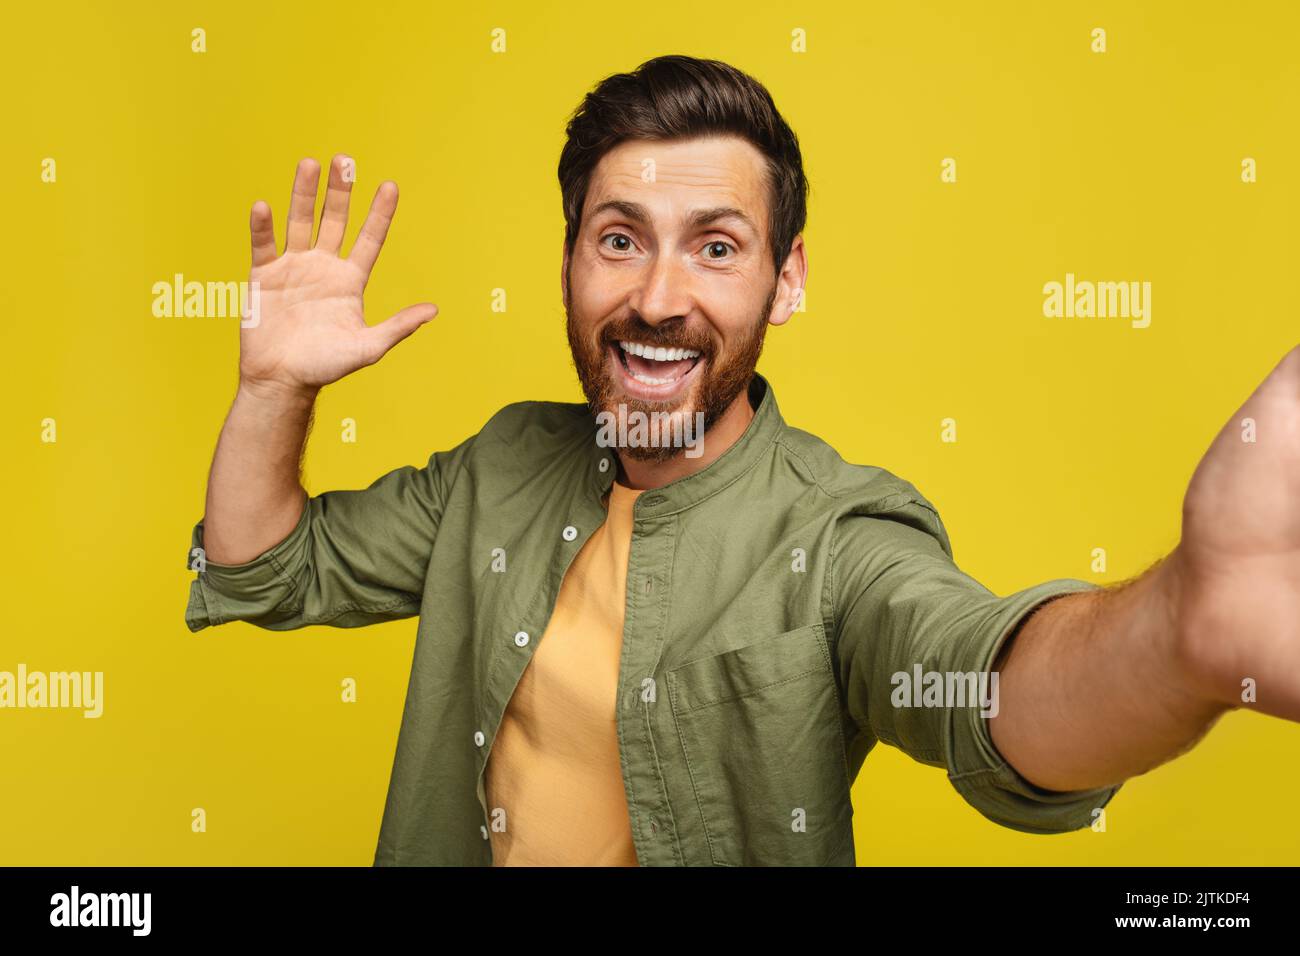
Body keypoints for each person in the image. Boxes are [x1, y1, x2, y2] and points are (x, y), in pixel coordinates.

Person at [184, 54, 1300, 867]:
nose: (658, 298)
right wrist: (274, 387)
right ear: (570, 256)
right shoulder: (498, 465)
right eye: (618, 239)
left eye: (716, 248)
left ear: (786, 278)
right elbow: (261, 565)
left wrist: (1177, 633)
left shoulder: (842, 534)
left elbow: (983, 689)